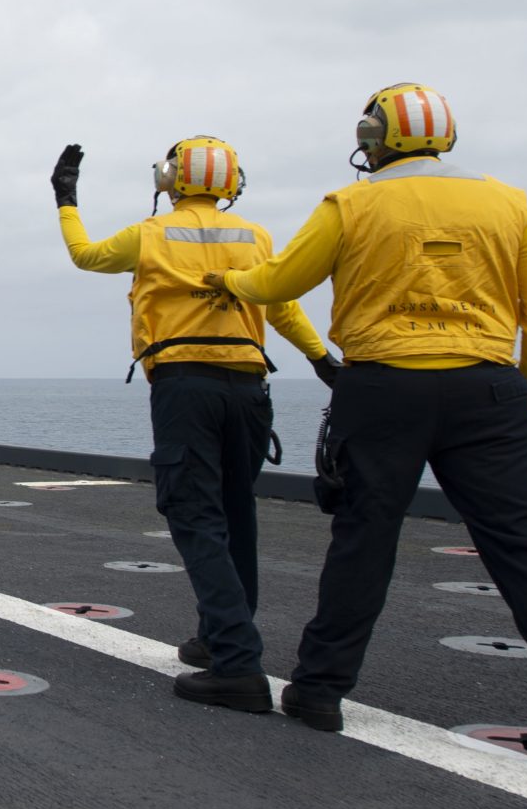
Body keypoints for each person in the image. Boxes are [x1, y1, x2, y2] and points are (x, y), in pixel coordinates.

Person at [209, 83, 527, 775]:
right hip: (489, 390)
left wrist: (232, 283)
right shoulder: (508, 202)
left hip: (382, 387)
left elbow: (279, 282)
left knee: (364, 540)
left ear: (374, 137)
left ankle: (320, 690)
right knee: (524, 552)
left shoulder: (351, 203)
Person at [54, 137, 338, 713]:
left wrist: (66, 199)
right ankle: (216, 638)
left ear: (170, 178)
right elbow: (281, 306)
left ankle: (237, 661)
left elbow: (85, 256)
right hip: (249, 387)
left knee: (194, 512)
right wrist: (321, 360)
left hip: (186, 385)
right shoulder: (255, 237)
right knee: (236, 512)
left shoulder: (151, 234)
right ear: (232, 183)